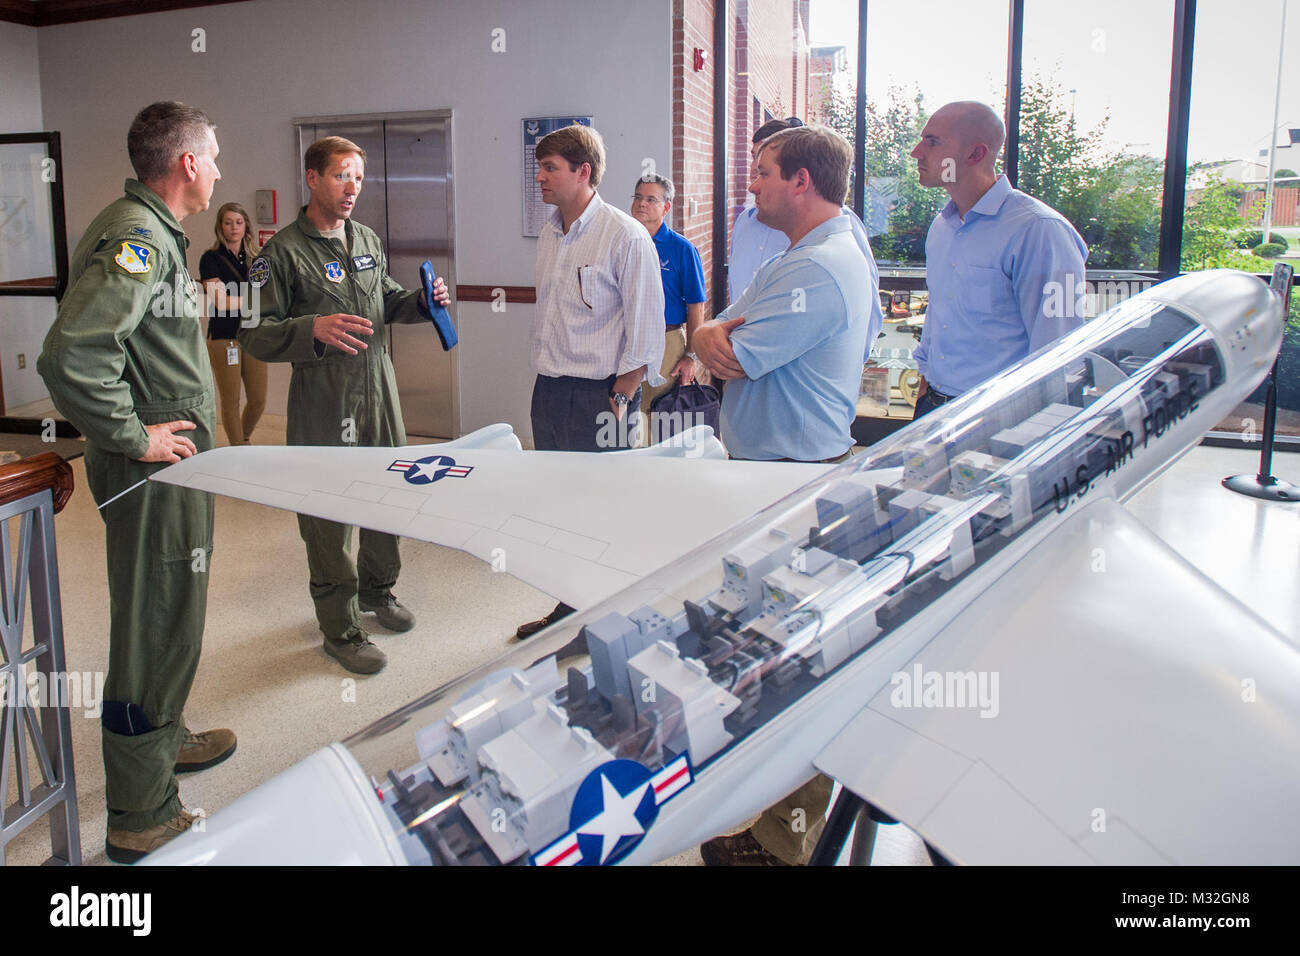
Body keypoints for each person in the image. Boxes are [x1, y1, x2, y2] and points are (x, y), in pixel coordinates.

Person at [37, 101, 235, 864]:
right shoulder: (138, 238)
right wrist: (130, 435)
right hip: (154, 470)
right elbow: (72, 356)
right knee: (156, 619)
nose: (218, 168)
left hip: (172, 468)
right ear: (186, 163)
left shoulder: (149, 229)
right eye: (212, 155)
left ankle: (163, 739)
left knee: (170, 611)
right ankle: (140, 812)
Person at [691, 123, 879, 866]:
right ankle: (768, 817)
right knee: (771, 651)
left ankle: (783, 842)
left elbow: (727, 352)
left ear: (802, 181)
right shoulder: (816, 250)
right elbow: (729, 334)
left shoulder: (817, 269)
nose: (753, 185)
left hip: (790, 481)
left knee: (794, 660)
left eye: (764, 172)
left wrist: (706, 333)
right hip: (780, 469)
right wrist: (715, 334)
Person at [239, 136, 451, 675]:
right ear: (312, 179)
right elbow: (253, 333)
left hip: (379, 394)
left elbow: (384, 299)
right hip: (324, 403)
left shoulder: (367, 239)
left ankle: (378, 592)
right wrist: (311, 328)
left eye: (358, 176)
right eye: (341, 175)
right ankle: (340, 628)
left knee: (390, 495)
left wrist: (421, 303)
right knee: (328, 513)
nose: (352, 186)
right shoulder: (279, 254)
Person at [514, 124, 665, 640]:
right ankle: (571, 612)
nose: (539, 177)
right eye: (539, 166)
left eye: (550, 167)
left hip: (602, 397)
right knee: (562, 508)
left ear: (584, 172)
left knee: (603, 512)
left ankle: (605, 623)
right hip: (551, 390)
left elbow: (646, 334)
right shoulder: (553, 234)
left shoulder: (625, 236)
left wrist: (621, 398)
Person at [908, 100, 1088, 419]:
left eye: (932, 142)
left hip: (998, 417)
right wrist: (926, 387)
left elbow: (1060, 349)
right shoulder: (942, 227)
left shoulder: (1039, 231)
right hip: (934, 407)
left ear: (976, 154)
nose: (917, 152)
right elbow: (942, 316)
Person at [728, 117, 883, 355]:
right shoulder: (744, 223)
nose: (753, 168)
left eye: (763, 163)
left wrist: (849, 366)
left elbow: (868, 306)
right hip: (734, 358)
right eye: (753, 155)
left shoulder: (837, 225)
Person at [629, 173, 707, 432]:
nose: (641, 204)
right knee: (629, 415)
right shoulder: (623, 243)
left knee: (661, 415)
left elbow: (696, 307)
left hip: (667, 341)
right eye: (638, 197)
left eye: (651, 199)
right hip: (627, 340)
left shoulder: (682, 249)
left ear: (666, 207)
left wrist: (691, 356)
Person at [198, 202, 267, 445]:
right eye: (228, 223)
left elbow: (270, 293)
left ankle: (243, 439)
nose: (234, 227)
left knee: (259, 398)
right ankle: (238, 448)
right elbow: (220, 301)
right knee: (231, 400)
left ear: (246, 225)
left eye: (238, 222)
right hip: (224, 337)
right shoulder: (211, 258)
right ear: (220, 227)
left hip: (253, 335)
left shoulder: (257, 258)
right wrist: (254, 299)